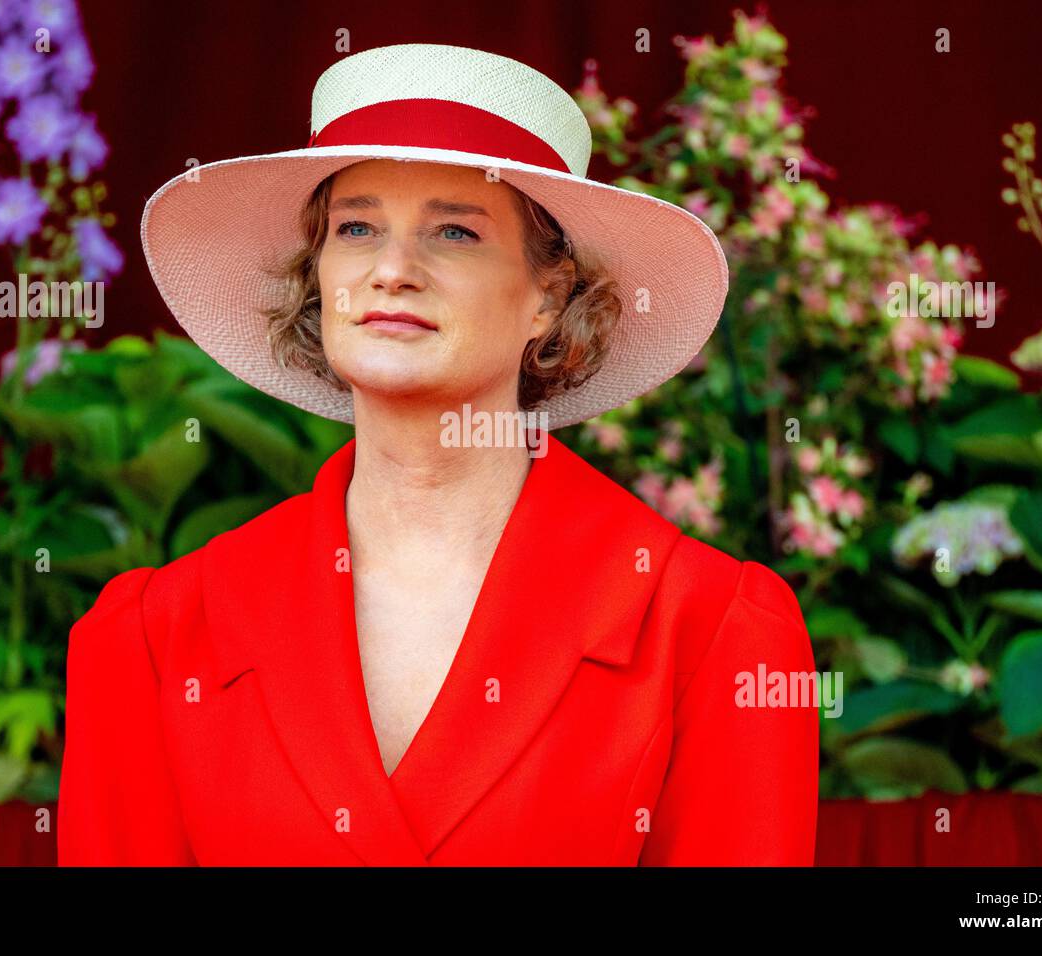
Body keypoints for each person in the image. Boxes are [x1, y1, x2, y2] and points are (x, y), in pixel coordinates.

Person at [57, 42, 818, 866]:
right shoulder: (155, 635)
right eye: (356, 227)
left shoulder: (708, 627)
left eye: (454, 231)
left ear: (548, 296)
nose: (391, 270)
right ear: (318, 274)